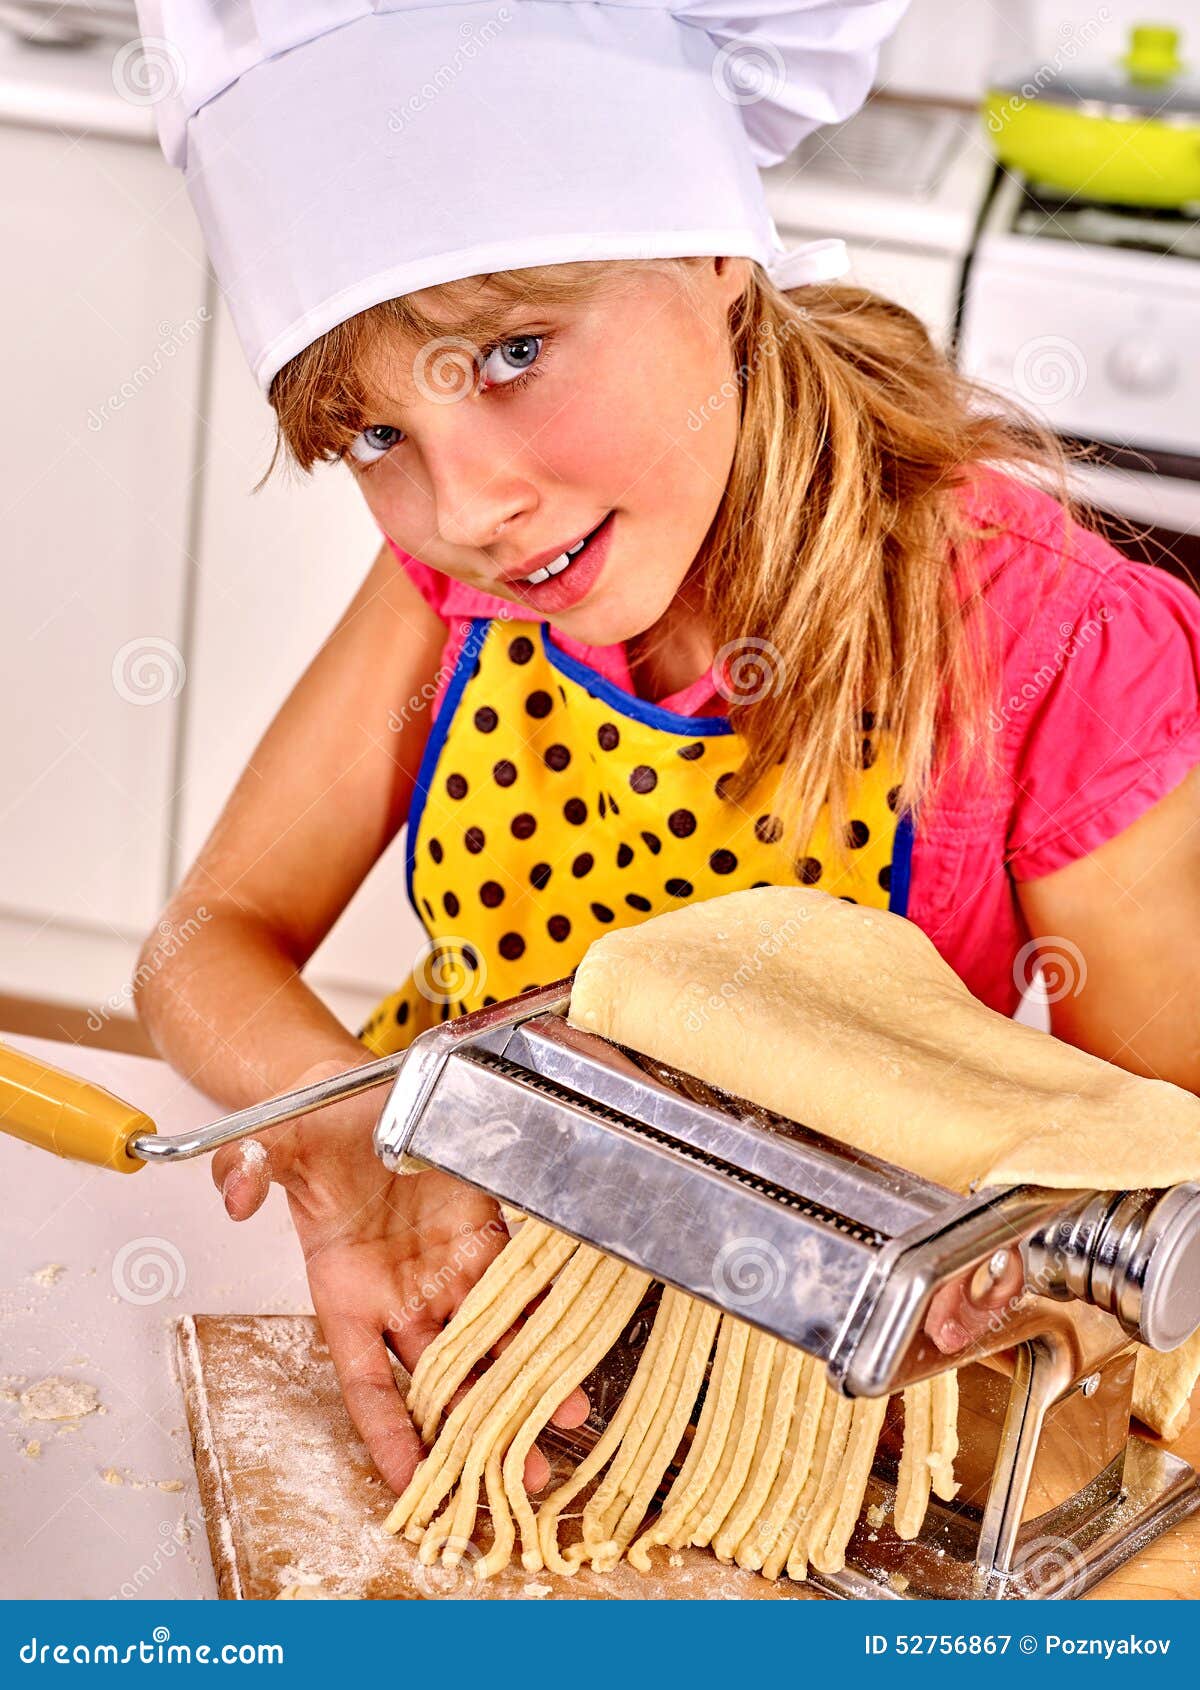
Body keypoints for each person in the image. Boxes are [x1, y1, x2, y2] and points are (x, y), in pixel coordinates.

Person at [131, 0, 1200, 1494]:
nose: (466, 510)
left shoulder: (1048, 640)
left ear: (713, 253)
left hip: (805, 1414)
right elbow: (202, 939)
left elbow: (1156, 1182)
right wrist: (353, 1135)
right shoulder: (458, 588)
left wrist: (989, 1301)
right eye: (375, 437)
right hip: (471, 1315)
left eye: (511, 351)